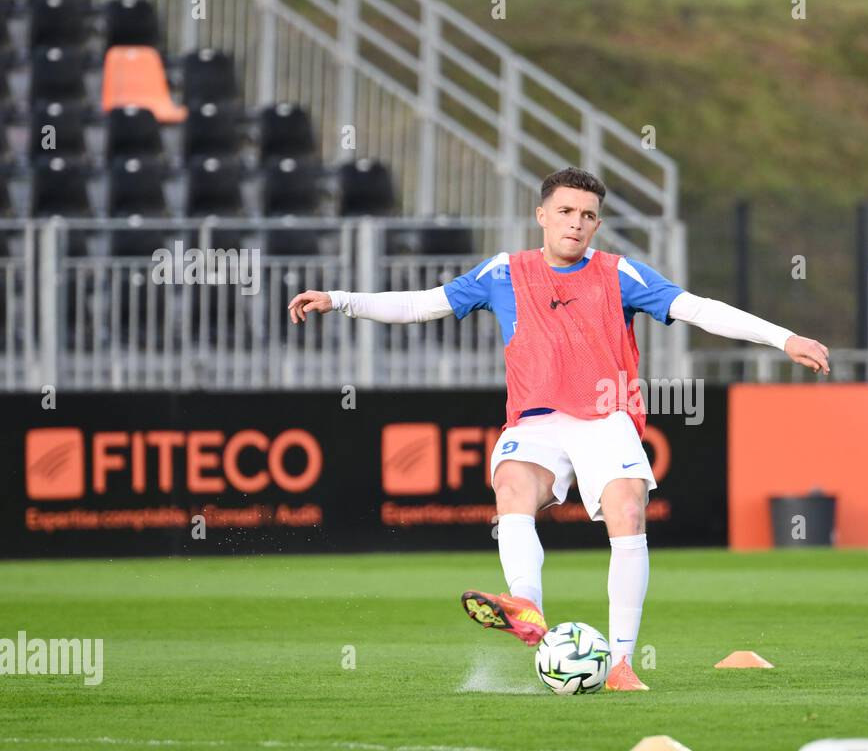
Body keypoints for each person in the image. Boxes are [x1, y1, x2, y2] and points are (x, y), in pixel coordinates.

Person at [289, 166, 830, 691]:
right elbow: (422, 305)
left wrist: (784, 340)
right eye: (566, 211)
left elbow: (698, 310)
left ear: (597, 224)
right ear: (541, 215)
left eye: (588, 215)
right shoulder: (503, 271)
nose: (576, 222)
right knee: (512, 488)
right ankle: (525, 604)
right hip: (538, 420)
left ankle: (620, 664)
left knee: (627, 511)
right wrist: (340, 300)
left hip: (606, 419)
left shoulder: (620, 273)